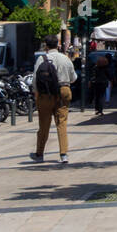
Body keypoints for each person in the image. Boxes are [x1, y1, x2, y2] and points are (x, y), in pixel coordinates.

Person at [31, 36, 77, 164]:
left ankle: (39, 153)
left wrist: (37, 93)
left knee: (44, 124)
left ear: (46, 46)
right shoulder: (65, 58)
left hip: (46, 94)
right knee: (61, 123)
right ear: (58, 45)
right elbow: (73, 78)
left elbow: (35, 79)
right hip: (63, 91)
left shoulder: (41, 59)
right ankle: (64, 154)